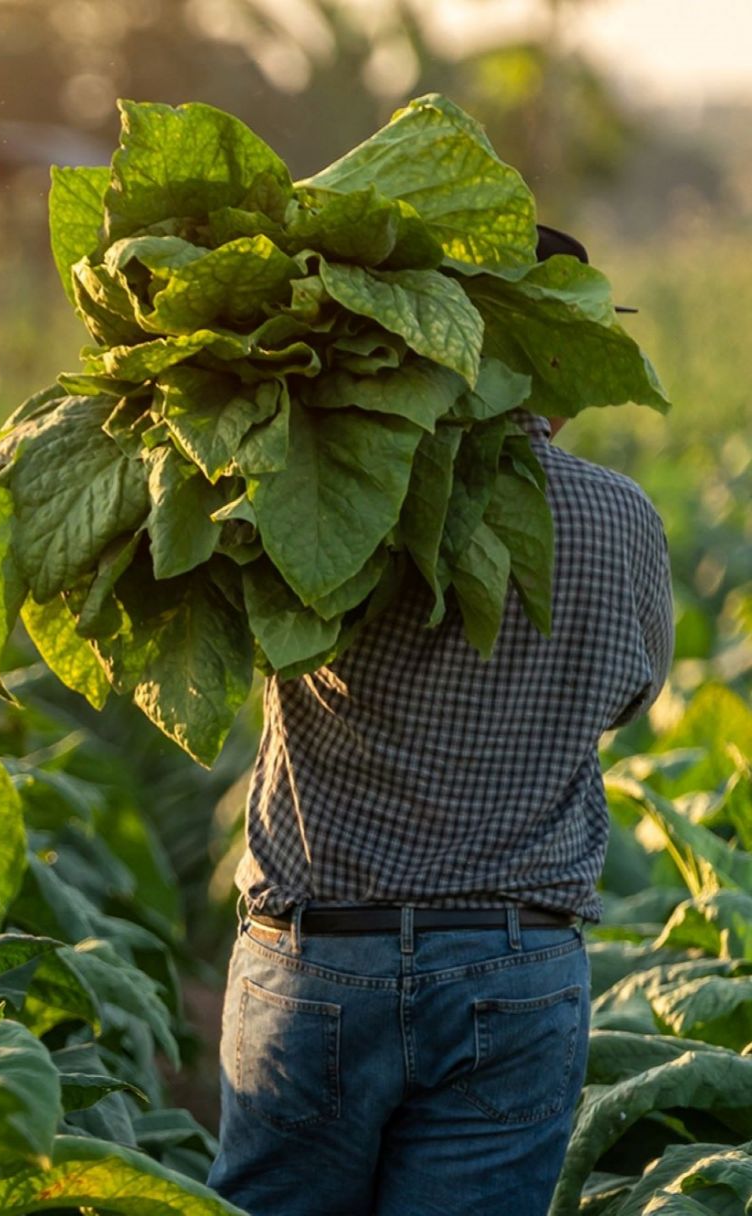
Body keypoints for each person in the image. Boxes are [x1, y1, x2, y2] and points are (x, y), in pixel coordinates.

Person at [204, 224, 676, 1216]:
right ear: (555, 356)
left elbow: (222, 639)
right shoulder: (620, 515)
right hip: (515, 964)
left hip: (319, 954)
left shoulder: (318, 487)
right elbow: (628, 698)